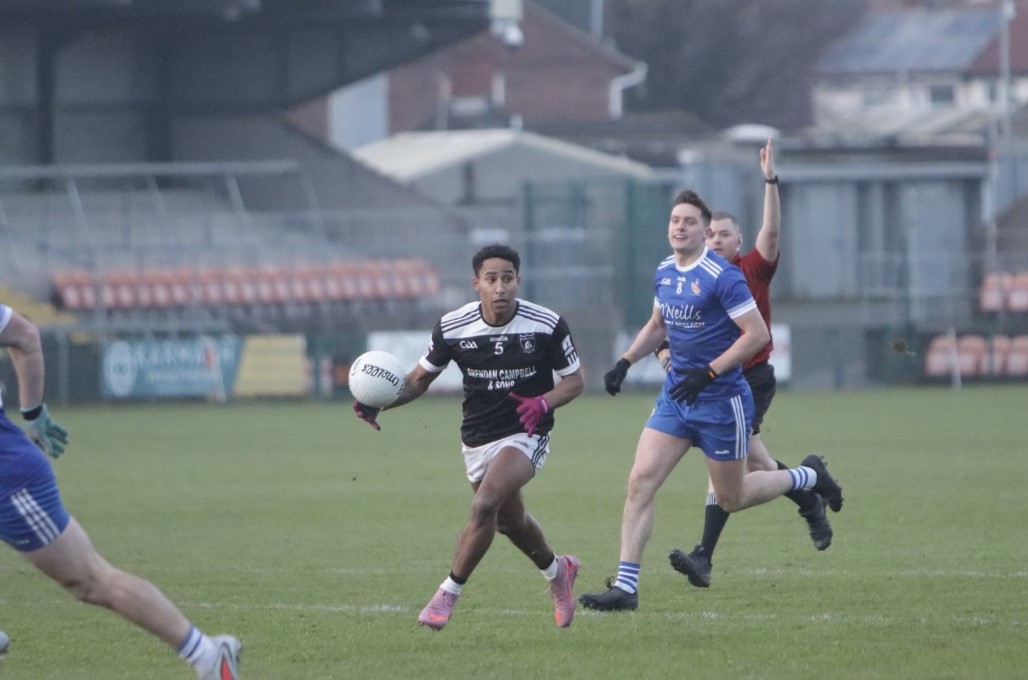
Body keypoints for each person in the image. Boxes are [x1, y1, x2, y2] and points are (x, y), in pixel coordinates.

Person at [578, 188, 843, 612]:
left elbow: (757, 335)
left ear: (704, 232)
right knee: (640, 481)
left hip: (722, 401)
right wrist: (625, 362)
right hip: (677, 399)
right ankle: (626, 588)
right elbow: (657, 324)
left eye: (689, 222)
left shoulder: (724, 276)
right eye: (674, 221)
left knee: (730, 498)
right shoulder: (665, 271)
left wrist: (711, 371)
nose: (680, 227)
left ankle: (807, 478)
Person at [0, 304, 241, 679]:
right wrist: (32, 413)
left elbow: (26, 336)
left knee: (91, 580)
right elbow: (25, 336)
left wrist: (33, 413)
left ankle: (208, 656)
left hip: (8, 480)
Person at [353, 243, 584, 631]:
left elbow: (575, 381)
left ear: (518, 281)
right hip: (477, 436)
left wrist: (544, 403)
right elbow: (417, 381)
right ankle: (558, 572)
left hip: (527, 432)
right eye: (491, 279)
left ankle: (448, 593)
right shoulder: (453, 327)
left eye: (507, 279)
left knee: (483, 507)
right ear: (476, 283)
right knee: (510, 521)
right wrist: (380, 404)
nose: (500, 288)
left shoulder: (545, 324)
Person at [657, 138, 837, 590]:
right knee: (753, 467)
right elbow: (668, 326)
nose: (715, 239)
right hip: (709, 385)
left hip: (746, 380)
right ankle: (811, 484)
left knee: (729, 476)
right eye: (710, 233)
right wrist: (663, 355)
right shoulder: (690, 276)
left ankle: (704, 555)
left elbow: (772, 234)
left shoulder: (750, 269)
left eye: (724, 234)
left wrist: (770, 179)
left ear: (738, 242)